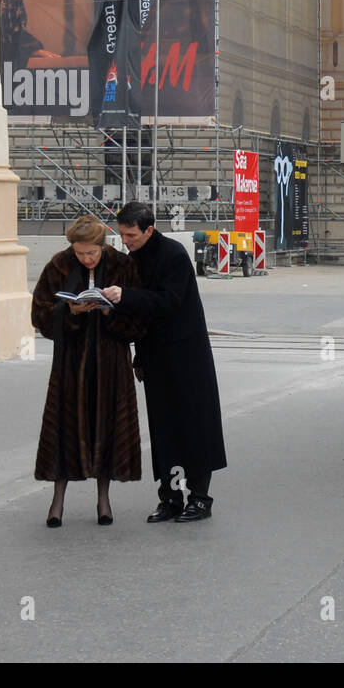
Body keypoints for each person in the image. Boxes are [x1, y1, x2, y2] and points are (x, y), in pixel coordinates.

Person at [102, 202, 227, 522]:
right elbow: (141, 314)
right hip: (155, 356)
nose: (125, 240)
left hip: (187, 356)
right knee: (164, 430)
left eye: (131, 235)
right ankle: (170, 498)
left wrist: (124, 296)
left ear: (149, 230)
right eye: (122, 234)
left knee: (194, 426)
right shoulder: (134, 258)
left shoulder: (173, 255)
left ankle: (200, 498)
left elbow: (168, 302)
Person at [31, 215, 143, 527]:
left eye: (91, 253)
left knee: (107, 425)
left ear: (102, 246)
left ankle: (103, 500)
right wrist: (69, 312)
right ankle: (57, 501)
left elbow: (139, 319)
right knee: (63, 429)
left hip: (111, 361)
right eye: (80, 253)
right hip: (70, 362)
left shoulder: (123, 266)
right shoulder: (59, 265)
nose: (86, 259)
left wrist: (110, 312)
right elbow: (39, 314)